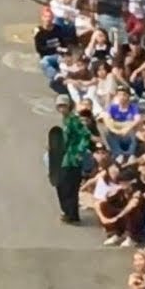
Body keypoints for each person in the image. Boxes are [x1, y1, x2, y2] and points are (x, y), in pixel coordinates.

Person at [56, 95, 90, 225]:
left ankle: (71, 214)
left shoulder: (74, 120)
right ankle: (68, 212)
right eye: (59, 106)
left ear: (69, 106)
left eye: (64, 105)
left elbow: (85, 135)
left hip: (73, 159)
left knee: (68, 186)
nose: (62, 108)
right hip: (65, 157)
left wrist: (79, 151)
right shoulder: (66, 120)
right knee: (62, 185)